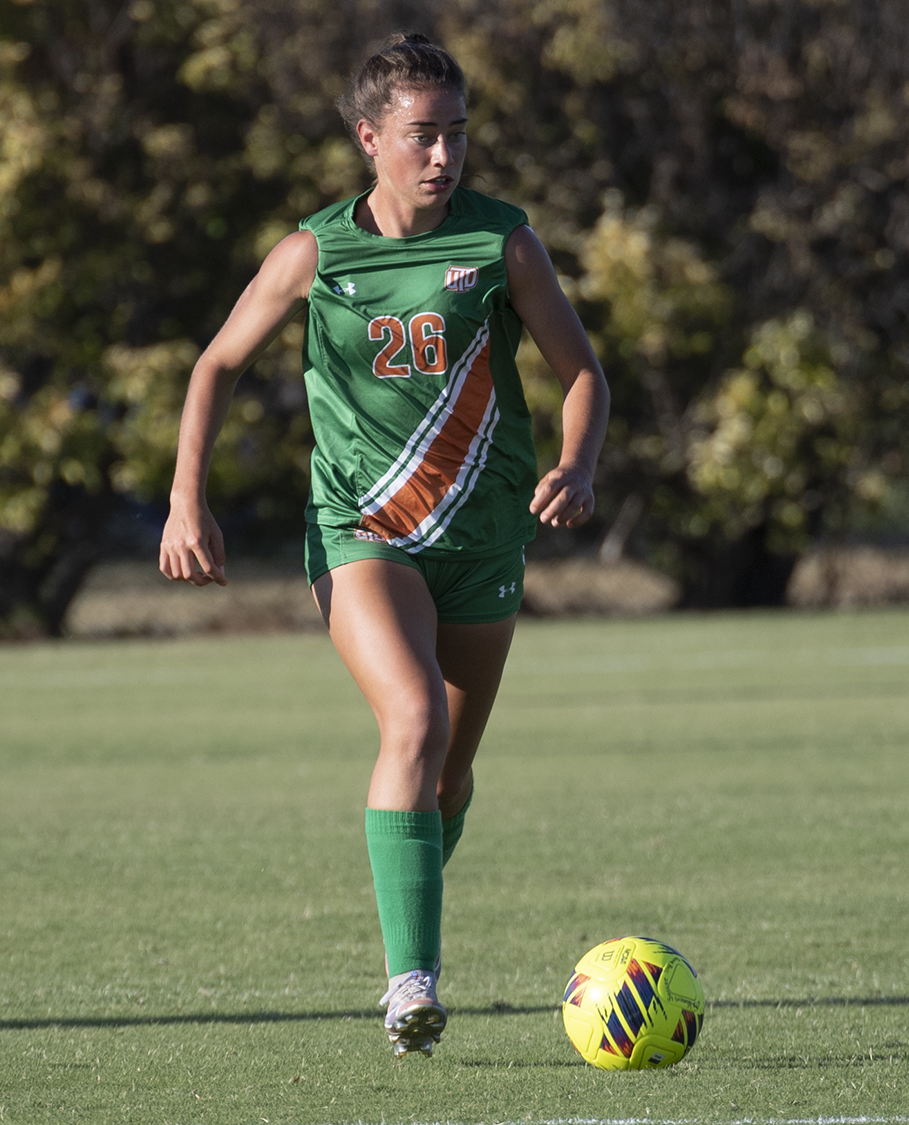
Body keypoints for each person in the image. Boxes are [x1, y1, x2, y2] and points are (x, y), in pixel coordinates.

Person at [159, 32, 609, 1058]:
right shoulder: (315, 252)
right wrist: (186, 501)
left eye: (455, 136)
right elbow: (216, 364)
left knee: (445, 772)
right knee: (409, 720)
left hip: (484, 535)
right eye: (420, 137)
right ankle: (410, 984)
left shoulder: (504, 243)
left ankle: (412, 881)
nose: (442, 158)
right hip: (362, 529)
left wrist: (577, 466)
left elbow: (581, 371)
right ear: (369, 139)